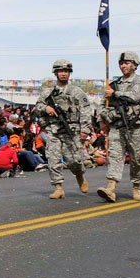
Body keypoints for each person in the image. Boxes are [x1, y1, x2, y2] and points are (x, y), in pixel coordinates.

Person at [97, 51, 140, 202]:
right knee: (115, 156)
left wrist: (115, 94)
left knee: (137, 158)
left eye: (126, 63)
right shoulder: (114, 85)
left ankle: (136, 186)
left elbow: (135, 97)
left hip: (135, 127)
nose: (123, 66)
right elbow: (102, 104)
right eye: (121, 63)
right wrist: (102, 120)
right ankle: (111, 188)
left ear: (135, 65)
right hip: (117, 126)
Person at [35, 59, 92, 199]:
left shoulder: (76, 92)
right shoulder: (48, 92)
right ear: (55, 73)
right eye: (60, 71)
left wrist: (85, 130)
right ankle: (58, 187)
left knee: (73, 160)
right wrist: (46, 108)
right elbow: (38, 106)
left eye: (66, 71)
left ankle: (79, 175)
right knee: (53, 159)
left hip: (70, 130)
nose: (63, 74)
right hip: (53, 130)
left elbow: (85, 110)